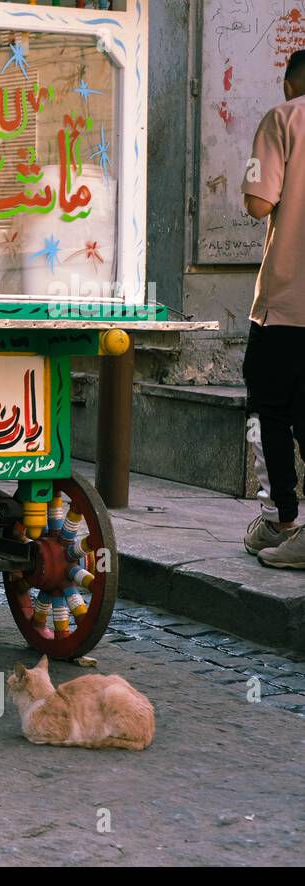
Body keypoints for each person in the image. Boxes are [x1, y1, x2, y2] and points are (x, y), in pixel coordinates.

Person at [243, 51, 305, 567]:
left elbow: (259, 202)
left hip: (288, 302)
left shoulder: (284, 118)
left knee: (271, 409)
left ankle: (284, 519)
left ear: (291, 83)